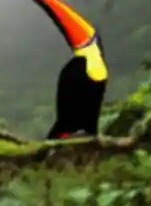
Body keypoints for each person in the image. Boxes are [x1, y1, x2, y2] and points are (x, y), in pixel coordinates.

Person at [32, 0, 109, 139]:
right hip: (65, 129)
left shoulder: (99, 70)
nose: (88, 40)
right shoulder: (74, 68)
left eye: (92, 41)